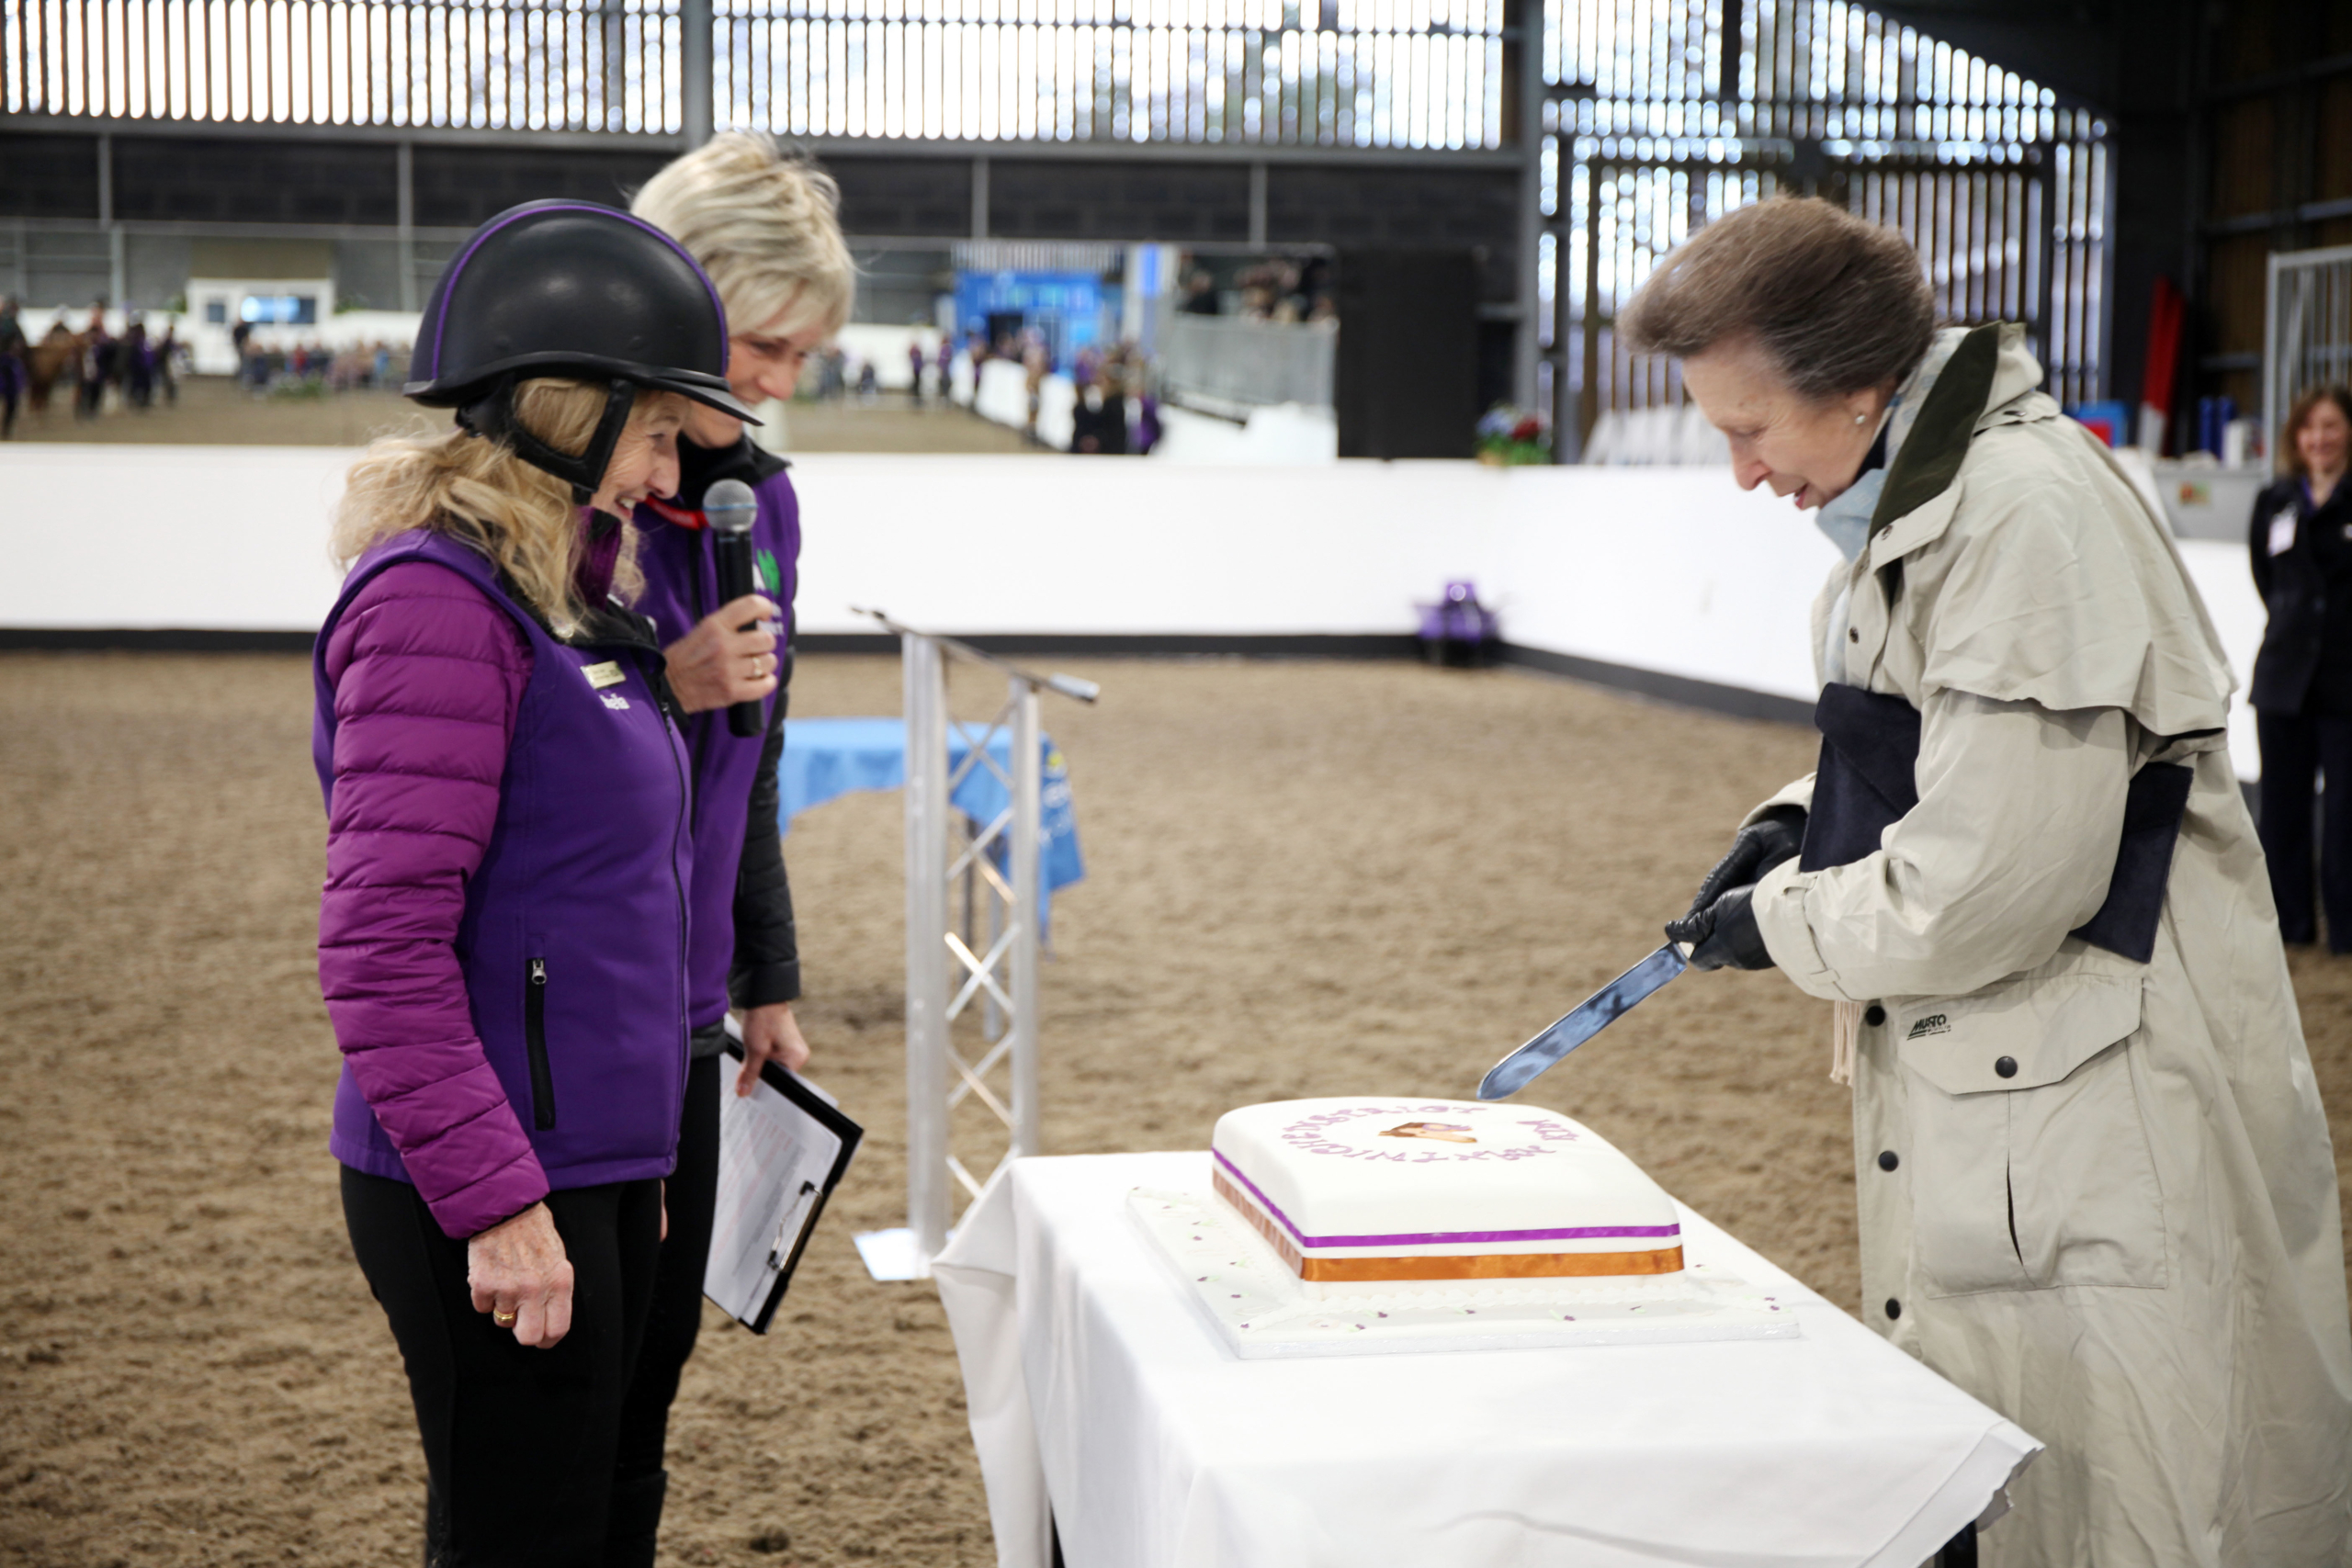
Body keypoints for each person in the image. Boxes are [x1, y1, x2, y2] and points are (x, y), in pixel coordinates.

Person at [1621, 197, 2352, 1565]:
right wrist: (1801, 821)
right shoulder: (1926, 503)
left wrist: (1778, 926)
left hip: (2100, 1098)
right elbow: (1930, 744)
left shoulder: (2018, 518)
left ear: (1855, 386)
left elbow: (1990, 881)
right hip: (2015, 1087)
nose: (1739, 471)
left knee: (2136, 1490)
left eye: (1747, 427)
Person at [314, 199, 759, 1566]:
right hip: (494, 1175)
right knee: (525, 1534)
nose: (668, 468)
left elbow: (613, 898)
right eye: (656, 430)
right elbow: (382, 946)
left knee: (581, 1516)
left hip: (592, 1159)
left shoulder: (569, 605)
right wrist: (502, 1202)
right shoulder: (436, 608)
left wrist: (642, 1164)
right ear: (568, 411)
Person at [617, 130, 854, 1564]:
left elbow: (749, 762)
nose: (777, 383)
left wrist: (766, 975)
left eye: (801, 353)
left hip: (698, 1013)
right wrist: (662, 676)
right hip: (574, 1013)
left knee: (646, 1398)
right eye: (763, 345)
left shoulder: (756, 500)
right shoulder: (556, 496)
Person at [2249, 384, 2352, 948]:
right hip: (2283, 678)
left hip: (2344, 679)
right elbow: (2268, 580)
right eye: (2310, 428)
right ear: (2296, 437)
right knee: (2282, 814)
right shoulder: (2274, 500)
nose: (2320, 438)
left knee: (2344, 817)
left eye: (2332, 426)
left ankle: (2346, 932)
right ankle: (2290, 927)